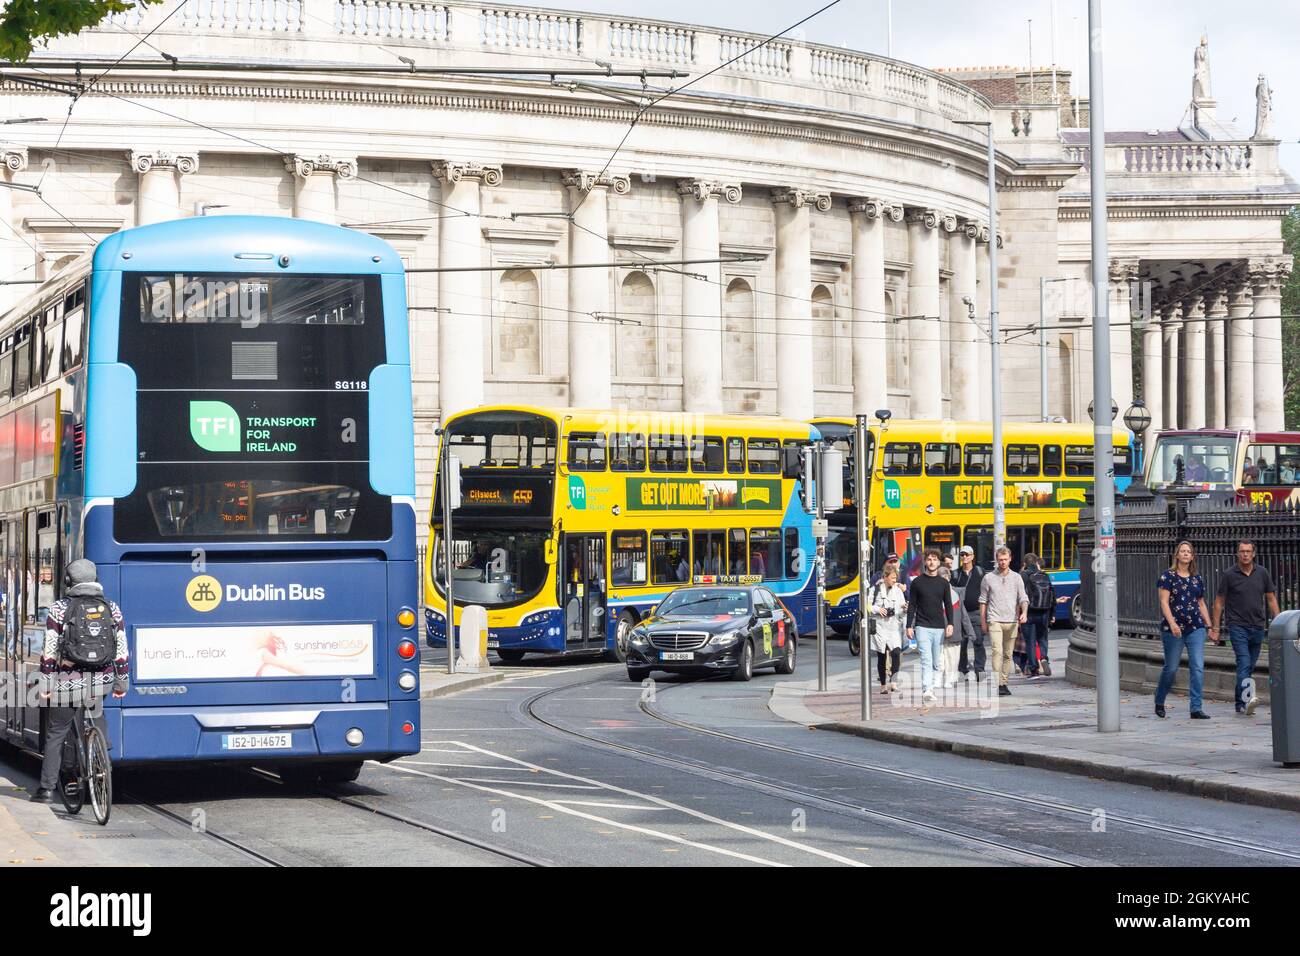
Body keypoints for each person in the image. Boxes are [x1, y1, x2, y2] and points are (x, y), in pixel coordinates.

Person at [30, 559, 128, 803]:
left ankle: (46, 790)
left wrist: (46, 685)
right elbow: (121, 649)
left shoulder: (59, 608)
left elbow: (50, 651)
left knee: (57, 732)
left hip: (68, 682)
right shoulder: (112, 608)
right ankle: (102, 763)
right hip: (100, 680)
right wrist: (121, 682)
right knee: (96, 716)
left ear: (68, 581)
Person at [1212, 539, 1280, 717]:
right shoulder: (1229, 575)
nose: (1245, 554)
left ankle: (1238, 702)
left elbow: (1271, 599)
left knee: (1248, 666)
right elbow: (1219, 603)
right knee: (1243, 662)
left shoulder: (1262, 573)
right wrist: (1216, 628)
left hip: (1257, 626)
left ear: (1254, 553)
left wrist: (1280, 622)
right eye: (1242, 551)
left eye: (1248, 551)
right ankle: (1247, 700)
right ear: (1237, 553)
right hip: (1237, 626)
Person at [1155, 540, 1212, 720]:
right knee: (1171, 668)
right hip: (1174, 629)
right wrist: (1172, 623)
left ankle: (1196, 707)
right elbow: (1164, 601)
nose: (1186, 554)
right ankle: (1159, 699)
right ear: (1177, 555)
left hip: (1196, 627)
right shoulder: (1168, 577)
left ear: (1192, 556)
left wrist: (1209, 625)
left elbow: (1201, 603)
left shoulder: (1197, 578)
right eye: (1183, 551)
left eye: (1189, 551)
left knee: (1197, 667)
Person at [905, 549, 953, 704]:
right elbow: (912, 605)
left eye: (934, 559)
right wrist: (909, 625)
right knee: (926, 659)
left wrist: (950, 623)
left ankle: (931, 686)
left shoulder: (944, 583)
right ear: (925, 562)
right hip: (922, 626)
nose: (932, 562)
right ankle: (927, 689)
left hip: (939, 626)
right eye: (929, 559)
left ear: (939, 562)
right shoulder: (917, 582)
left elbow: (948, 605)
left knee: (936, 661)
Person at [980, 546, 1028, 697]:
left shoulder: (1017, 577)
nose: (1002, 562)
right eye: (1000, 560)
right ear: (996, 560)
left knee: (1008, 654)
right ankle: (997, 682)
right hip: (994, 619)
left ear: (1010, 559)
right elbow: (983, 601)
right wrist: (983, 621)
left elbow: (1023, 598)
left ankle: (1003, 683)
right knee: (997, 651)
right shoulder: (988, 578)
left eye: (1005, 559)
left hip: (1012, 621)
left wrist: (1024, 612)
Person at [867, 566, 907, 694]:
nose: (895, 581)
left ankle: (893, 682)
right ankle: (883, 685)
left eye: (896, 578)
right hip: (880, 627)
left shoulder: (898, 591)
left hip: (894, 627)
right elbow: (867, 605)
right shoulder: (875, 589)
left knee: (896, 653)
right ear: (885, 577)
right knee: (882, 656)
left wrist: (904, 609)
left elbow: (901, 611)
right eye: (893, 578)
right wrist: (878, 609)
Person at [1019, 553, 1056, 678]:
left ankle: (1034, 668)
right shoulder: (1044, 575)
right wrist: (1052, 614)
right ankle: (1044, 658)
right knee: (1042, 638)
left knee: (1030, 641)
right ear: (1036, 563)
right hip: (1044, 611)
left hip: (1028, 611)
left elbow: (1018, 594)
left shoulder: (1023, 575)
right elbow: (1053, 596)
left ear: (1025, 564)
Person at [953, 545, 986, 680]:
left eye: (967, 554)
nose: (964, 557)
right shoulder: (955, 574)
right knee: (962, 644)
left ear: (972, 556)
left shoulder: (980, 572)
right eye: (962, 555)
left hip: (976, 613)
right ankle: (962, 670)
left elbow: (986, 592)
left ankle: (980, 670)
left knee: (978, 641)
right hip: (961, 614)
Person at [937, 567, 970, 689]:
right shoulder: (934, 594)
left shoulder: (956, 594)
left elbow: (963, 614)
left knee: (952, 657)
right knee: (939, 658)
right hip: (938, 631)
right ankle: (938, 678)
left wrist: (969, 631)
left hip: (954, 632)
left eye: (945, 579)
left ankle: (949, 679)